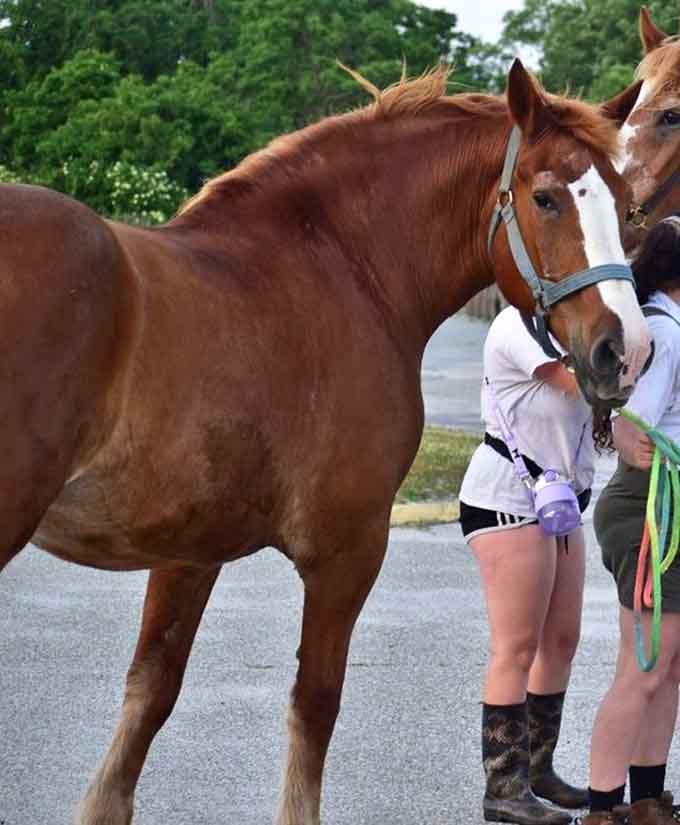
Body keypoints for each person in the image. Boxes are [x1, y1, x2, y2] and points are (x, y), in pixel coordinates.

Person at [459, 304, 599, 825]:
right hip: (508, 498)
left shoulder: (573, 330)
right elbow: (580, 382)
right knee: (517, 646)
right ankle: (504, 787)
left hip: (560, 501)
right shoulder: (516, 326)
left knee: (561, 640)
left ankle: (538, 770)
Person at [583, 215, 680, 825]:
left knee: (665, 669)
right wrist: (630, 441)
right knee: (643, 668)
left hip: (664, 504)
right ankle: (602, 809)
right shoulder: (666, 334)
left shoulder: (668, 328)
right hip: (654, 505)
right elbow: (634, 419)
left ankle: (647, 800)